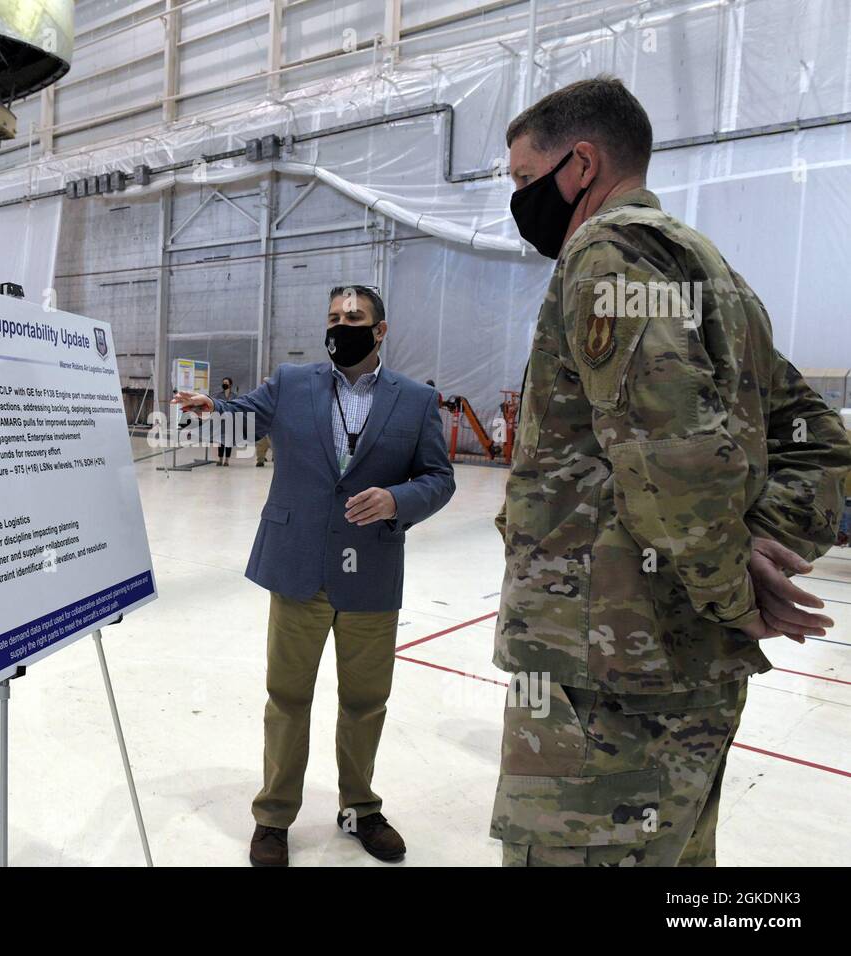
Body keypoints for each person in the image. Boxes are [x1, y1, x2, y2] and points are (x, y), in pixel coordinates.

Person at [493, 75, 851, 866]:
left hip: (604, 672)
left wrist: (735, 590)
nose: (518, 202)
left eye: (524, 180)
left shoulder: (603, 255)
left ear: (580, 164)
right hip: (688, 670)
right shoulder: (717, 278)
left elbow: (675, 456)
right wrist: (758, 552)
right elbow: (819, 438)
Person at [173, 284, 455, 866]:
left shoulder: (416, 400)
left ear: (379, 330)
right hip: (299, 567)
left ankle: (360, 810)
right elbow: (238, 421)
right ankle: (274, 818)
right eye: (333, 316)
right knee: (287, 696)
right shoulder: (292, 383)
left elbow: (438, 477)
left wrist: (398, 500)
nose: (340, 325)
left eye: (353, 317)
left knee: (365, 701)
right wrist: (209, 416)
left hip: (370, 573)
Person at [212, 377, 237, 465]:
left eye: (226, 383)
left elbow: (236, 407)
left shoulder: (234, 396)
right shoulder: (219, 395)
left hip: (231, 420)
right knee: (221, 441)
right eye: (223, 382)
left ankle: (227, 460)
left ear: (230, 384)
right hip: (221, 420)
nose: (224, 384)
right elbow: (216, 406)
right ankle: (220, 459)